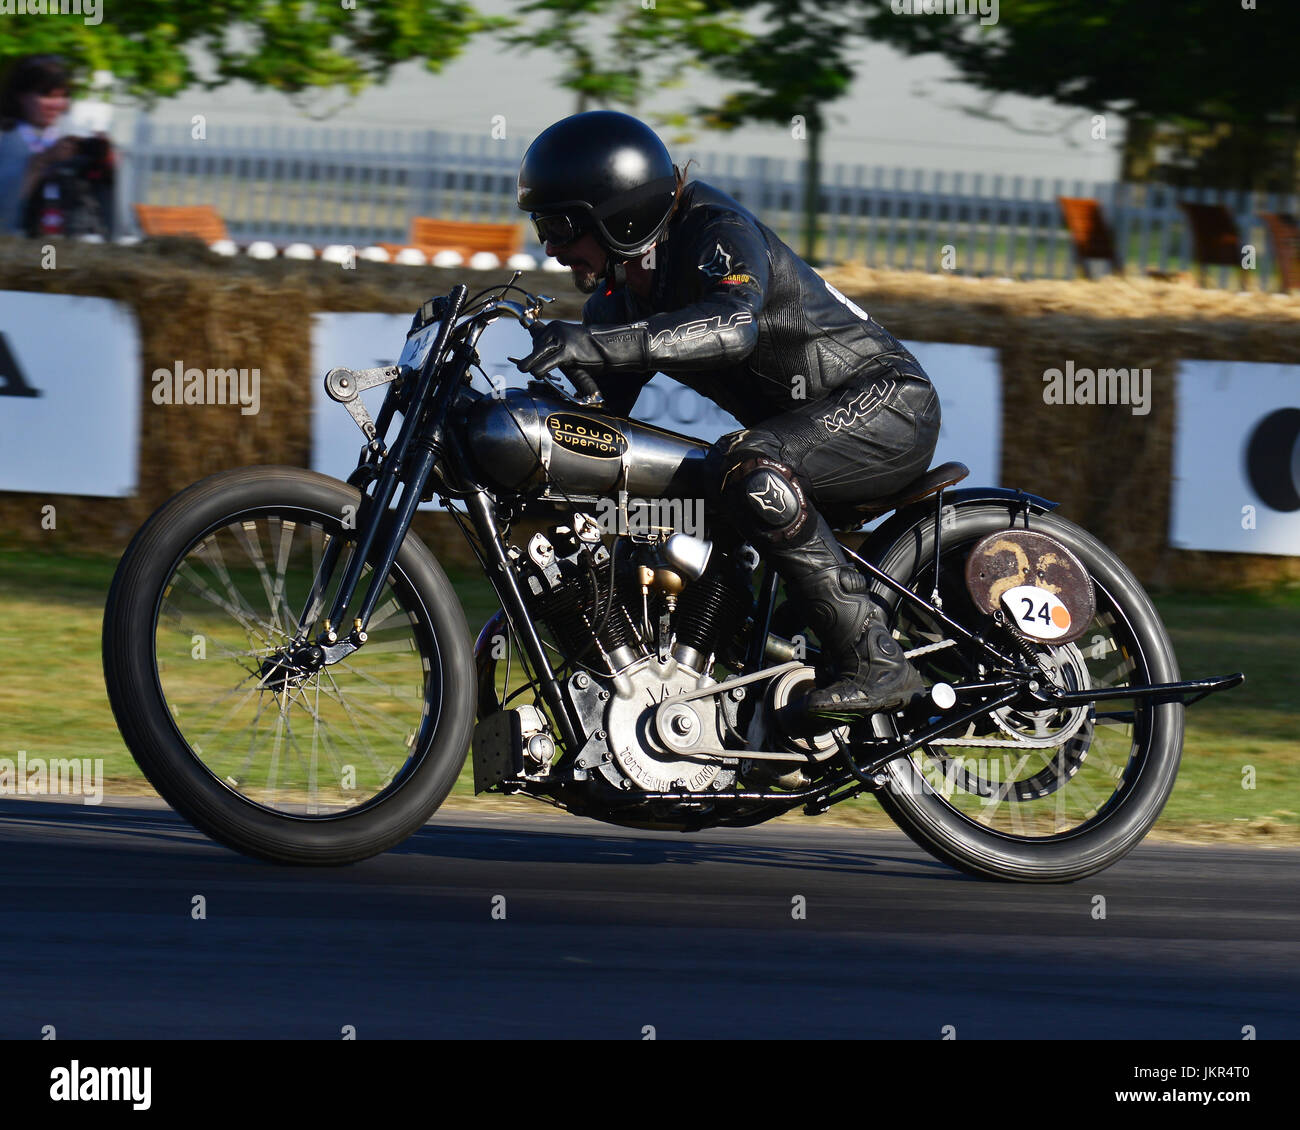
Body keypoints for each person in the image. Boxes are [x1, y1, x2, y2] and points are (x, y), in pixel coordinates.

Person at [513, 111, 941, 723]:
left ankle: (875, 659)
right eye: (540, 226)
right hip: (803, 435)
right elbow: (598, 419)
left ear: (617, 215)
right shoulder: (619, 296)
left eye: (560, 226)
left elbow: (732, 327)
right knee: (664, 491)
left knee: (748, 466)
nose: (549, 246)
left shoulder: (714, 231)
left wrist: (596, 344)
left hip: (888, 406)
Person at [0, 55, 112, 238]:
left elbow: (101, 204)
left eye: (63, 95)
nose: (57, 104)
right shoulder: (6, 138)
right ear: (20, 96)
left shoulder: (70, 134)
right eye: (46, 95)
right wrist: (40, 163)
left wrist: (106, 164)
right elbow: (3, 208)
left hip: (66, 245)